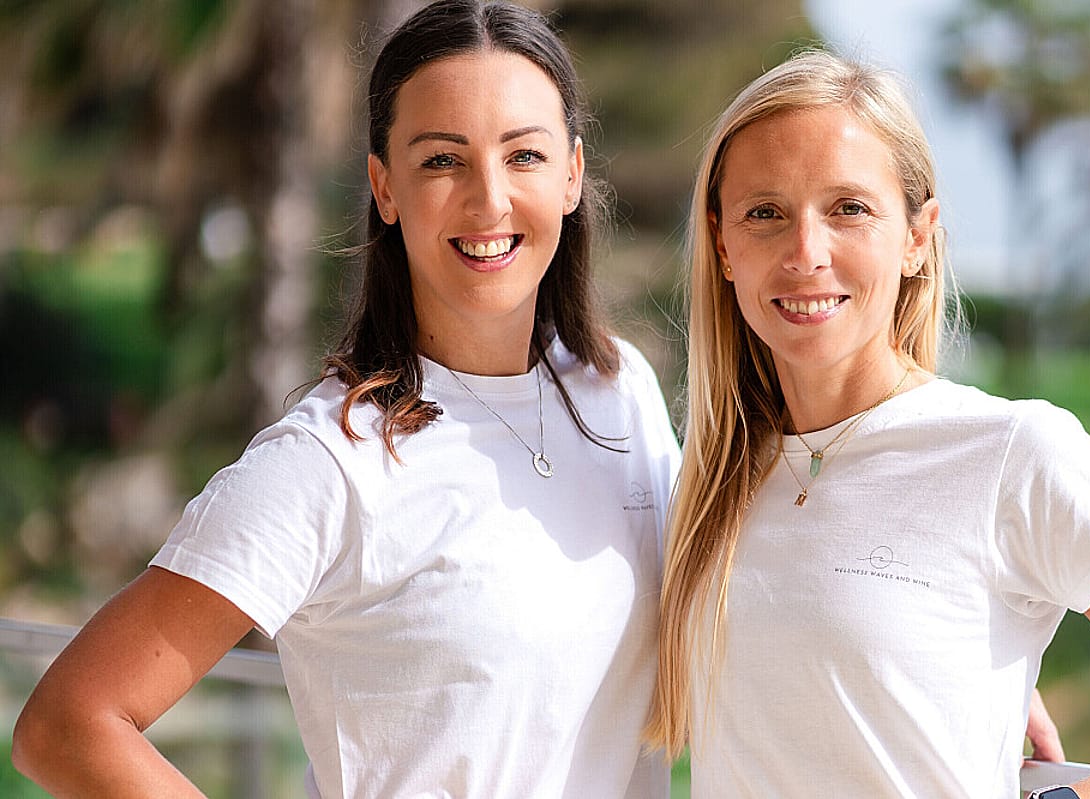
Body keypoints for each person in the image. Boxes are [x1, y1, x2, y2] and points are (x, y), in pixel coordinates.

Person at [12, 1, 680, 797]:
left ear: (571, 173)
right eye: (442, 160)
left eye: (523, 155)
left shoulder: (621, 392)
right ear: (384, 185)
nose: (489, 198)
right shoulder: (328, 459)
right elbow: (69, 721)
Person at [646, 49, 1090, 798]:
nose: (806, 252)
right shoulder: (708, 485)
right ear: (723, 244)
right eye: (765, 213)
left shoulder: (1013, 453)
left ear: (916, 236)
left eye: (849, 208)